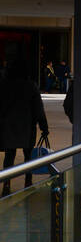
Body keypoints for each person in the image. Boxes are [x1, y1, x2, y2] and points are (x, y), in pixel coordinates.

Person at [0, 59, 49, 195]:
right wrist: (44, 126)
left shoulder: (4, 85)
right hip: (27, 126)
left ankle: (6, 184)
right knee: (28, 155)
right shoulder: (30, 86)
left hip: (9, 126)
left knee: (9, 156)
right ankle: (28, 181)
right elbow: (39, 109)